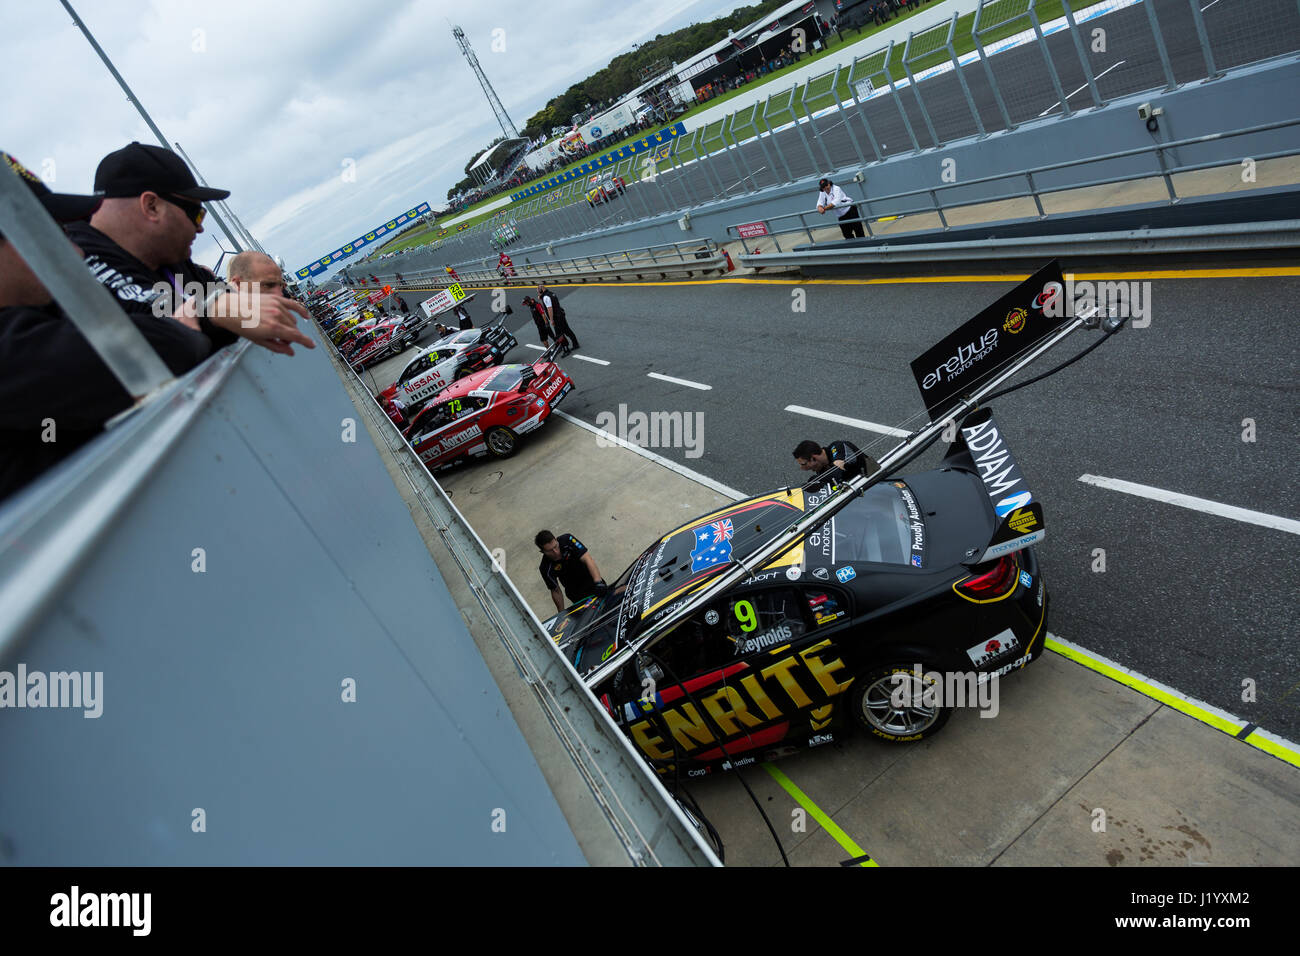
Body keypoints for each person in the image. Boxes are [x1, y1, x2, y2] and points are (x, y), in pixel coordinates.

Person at [0, 152, 298, 501]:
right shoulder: (83, 263)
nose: (201, 226)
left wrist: (212, 307)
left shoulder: (173, 264)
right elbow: (150, 347)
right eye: (50, 231)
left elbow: (212, 299)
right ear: (151, 206)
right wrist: (201, 318)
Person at [67, 142, 311, 356]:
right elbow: (148, 318)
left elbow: (226, 299)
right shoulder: (72, 258)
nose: (200, 229)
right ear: (151, 206)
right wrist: (214, 310)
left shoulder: (169, 256)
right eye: (196, 214)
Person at [536, 530, 605, 613]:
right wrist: (561, 613)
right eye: (550, 550)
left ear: (556, 539)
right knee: (592, 614)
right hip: (577, 595)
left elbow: (587, 558)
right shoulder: (545, 568)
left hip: (592, 582)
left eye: (555, 546)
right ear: (542, 552)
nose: (556, 552)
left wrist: (598, 582)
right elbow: (555, 590)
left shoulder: (568, 540)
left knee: (607, 605)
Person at [793, 438, 881, 486]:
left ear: (814, 458)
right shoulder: (821, 468)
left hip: (877, 481)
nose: (803, 468)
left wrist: (815, 480)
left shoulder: (839, 447)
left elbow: (837, 470)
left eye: (804, 464)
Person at [537, 283, 579, 353]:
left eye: (538, 292)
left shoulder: (545, 297)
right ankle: (575, 344)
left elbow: (550, 309)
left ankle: (566, 349)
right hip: (560, 314)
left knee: (559, 334)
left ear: (541, 291)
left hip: (556, 317)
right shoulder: (551, 293)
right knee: (567, 330)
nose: (538, 293)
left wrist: (551, 320)